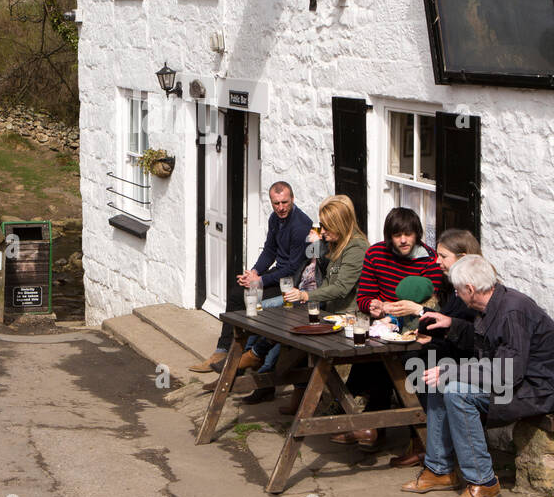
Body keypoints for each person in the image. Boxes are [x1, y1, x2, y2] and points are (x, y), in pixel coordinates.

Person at [402, 254, 554, 497]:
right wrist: (452, 325)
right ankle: (439, 469)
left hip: (543, 388)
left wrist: (452, 371)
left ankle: (484, 482)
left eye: (457, 290)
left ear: (469, 289)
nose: (455, 295)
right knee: (439, 382)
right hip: (519, 381)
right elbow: (489, 346)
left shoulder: (513, 310)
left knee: (456, 391)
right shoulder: (491, 304)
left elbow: (507, 374)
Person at [330, 207, 443, 451]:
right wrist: (372, 306)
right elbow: (364, 296)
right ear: (389, 236)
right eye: (397, 235)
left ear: (417, 234)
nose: (403, 240)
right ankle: (361, 422)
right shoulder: (375, 254)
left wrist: (396, 311)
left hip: (415, 327)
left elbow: (428, 302)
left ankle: (370, 425)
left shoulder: (429, 259)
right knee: (365, 350)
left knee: (386, 357)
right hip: (382, 324)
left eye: (409, 234)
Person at [241, 195, 368, 407]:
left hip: (348, 319)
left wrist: (305, 296)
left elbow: (340, 288)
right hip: (328, 311)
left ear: (340, 224)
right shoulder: (336, 243)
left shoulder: (356, 249)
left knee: (288, 332)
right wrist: (318, 245)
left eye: (326, 227)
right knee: (284, 326)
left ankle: (260, 368)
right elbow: (318, 265)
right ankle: (266, 371)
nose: (323, 231)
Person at [189, 181, 312, 373]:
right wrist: (254, 272)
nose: (281, 208)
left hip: (291, 283)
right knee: (237, 292)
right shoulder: (275, 219)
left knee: (249, 298)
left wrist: (260, 281)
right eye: (276, 203)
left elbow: (292, 268)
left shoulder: (300, 226)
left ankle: (240, 359)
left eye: (284, 202)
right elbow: (269, 250)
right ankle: (224, 351)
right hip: (279, 274)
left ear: (292, 199)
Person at [386, 228, 482, 468]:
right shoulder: (454, 286)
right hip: (452, 352)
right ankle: (419, 442)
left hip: (471, 362)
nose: (437, 261)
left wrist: (418, 311)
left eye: (443, 256)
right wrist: (429, 338)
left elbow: (469, 333)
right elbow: (449, 324)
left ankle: (427, 446)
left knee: (417, 367)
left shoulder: (474, 288)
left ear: (462, 257)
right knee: (402, 362)